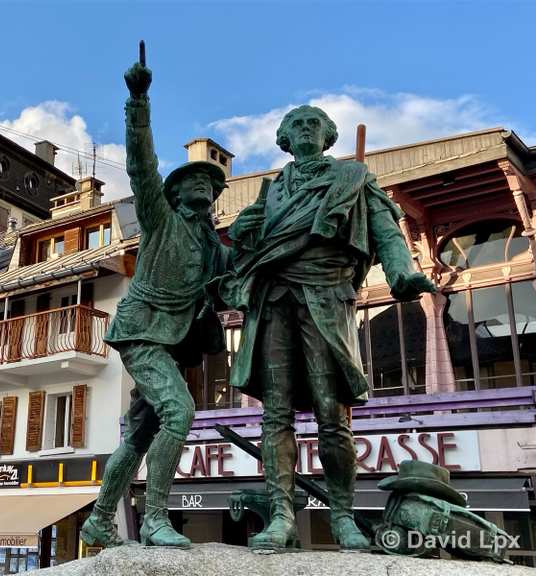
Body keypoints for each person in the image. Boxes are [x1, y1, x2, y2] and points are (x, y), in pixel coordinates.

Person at [214, 105, 435, 551]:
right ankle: (281, 517)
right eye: (296, 124)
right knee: (275, 414)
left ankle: (342, 518)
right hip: (274, 299)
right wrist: (245, 233)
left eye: (314, 123)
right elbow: (248, 250)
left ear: (328, 134)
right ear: (284, 138)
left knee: (333, 416)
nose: (306, 130)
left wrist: (399, 272)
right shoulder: (270, 192)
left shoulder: (351, 178)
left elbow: (385, 229)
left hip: (326, 295)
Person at [79, 59, 228, 549]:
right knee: (179, 411)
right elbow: (142, 164)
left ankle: (100, 519)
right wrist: (138, 102)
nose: (205, 186)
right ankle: (157, 518)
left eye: (212, 184)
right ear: (177, 193)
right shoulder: (161, 221)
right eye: (196, 181)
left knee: (139, 436)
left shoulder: (215, 249)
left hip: (171, 343)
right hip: (142, 331)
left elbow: (235, 286)